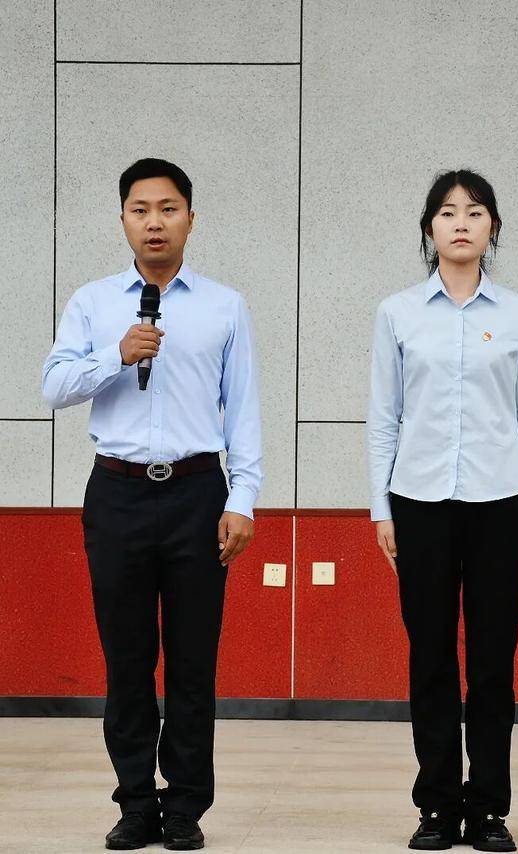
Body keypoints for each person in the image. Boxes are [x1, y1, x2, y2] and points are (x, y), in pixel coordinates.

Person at [42, 158, 263, 851]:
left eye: (168, 209)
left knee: (193, 662)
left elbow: (243, 410)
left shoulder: (224, 305)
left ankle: (186, 806)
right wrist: (116, 353)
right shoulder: (93, 303)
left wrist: (243, 498)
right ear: (123, 221)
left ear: (190, 218)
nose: (155, 222)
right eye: (140, 210)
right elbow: (54, 386)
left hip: (199, 492)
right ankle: (136, 801)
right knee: (127, 660)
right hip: (118, 493)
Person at [367, 169, 518, 852]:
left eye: (475, 212)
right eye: (448, 213)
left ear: (492, 227)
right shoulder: (398, 313)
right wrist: (381, 507)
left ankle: (490, 809)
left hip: (503, 501)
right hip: (419, 502)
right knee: (432, 659)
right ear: (430, 229)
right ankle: (438, 808)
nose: (461, 224)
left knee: (494, 663)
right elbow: (383, 418)